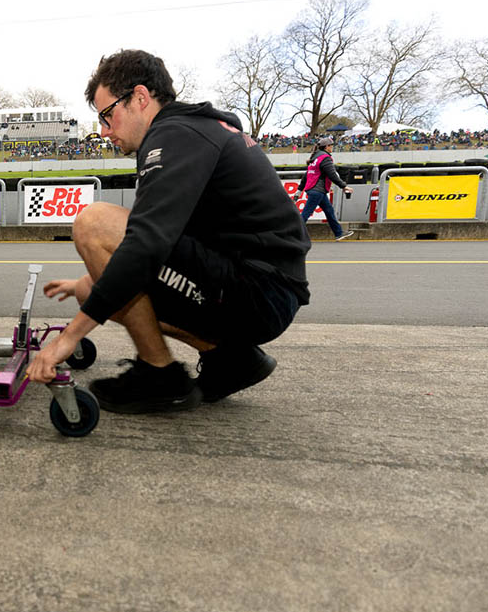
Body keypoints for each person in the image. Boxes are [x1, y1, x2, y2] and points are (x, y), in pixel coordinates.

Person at [25, 50, 312, 413]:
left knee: (93, 223)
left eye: (106, 114)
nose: (103, 131)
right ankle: (231, 360)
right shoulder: (189, 131)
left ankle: (159, 375)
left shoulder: (174, 135)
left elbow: (146, 244)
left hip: (258, 293)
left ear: (140, 98)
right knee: (89, 290)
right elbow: (163, 242)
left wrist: (68, 339)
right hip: (257, 287)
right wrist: (90, 280)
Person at [296, 136, 354, 240]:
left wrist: (299, 190)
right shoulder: (325, 158)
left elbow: (306, 175)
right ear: (327, 147)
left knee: (329, 211)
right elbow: (332, 175)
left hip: (315, 190)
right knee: (305, 214)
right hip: (317, 190)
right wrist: (344, 186)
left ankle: (338, 233)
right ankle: (292, 235)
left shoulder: (315, 158)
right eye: (331, 146)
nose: (332, 148)